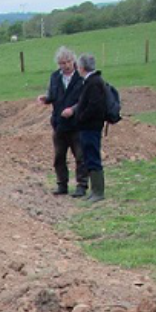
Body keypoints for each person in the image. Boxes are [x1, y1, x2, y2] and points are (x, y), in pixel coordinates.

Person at [38, 47, 88, 197]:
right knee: (59, 157)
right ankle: (62, 185)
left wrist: (73, 110)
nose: (65, 65)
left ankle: (82, 185)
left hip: (77, 124)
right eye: (61, 63)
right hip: (59, 124)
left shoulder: (81, 78)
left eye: (68, 62)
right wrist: (46, 99)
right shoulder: (55, 77)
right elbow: (53, 95)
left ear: (73, 61)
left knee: (80, 156)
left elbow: (85, 99)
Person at [61, 53, 107, 203]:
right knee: (89, 156)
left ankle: (98, 191)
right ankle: (95, 190)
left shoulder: (93, 83)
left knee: (93, 157)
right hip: (88, 126)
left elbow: (94, 106)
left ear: (81, 67)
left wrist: (80, 117)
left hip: (91, 127)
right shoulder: (91, 81)